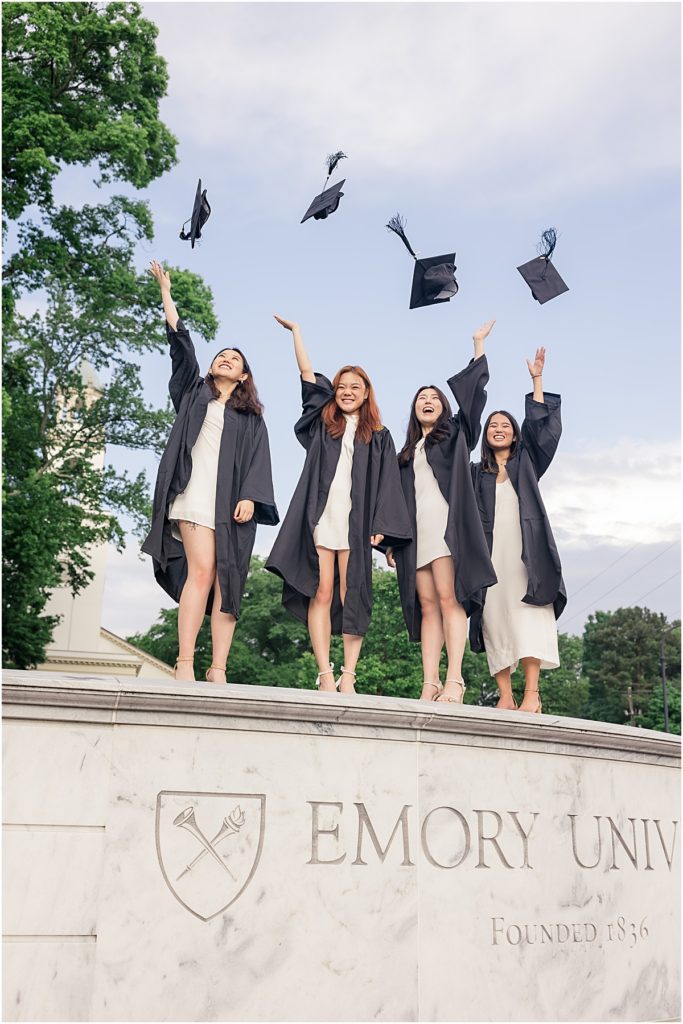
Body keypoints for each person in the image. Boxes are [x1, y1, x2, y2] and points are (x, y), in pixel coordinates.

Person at [142, 261, 278, 683]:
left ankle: (217, 667)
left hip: (230, 506)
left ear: (243, 376)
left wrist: (251, 497)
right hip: (191, 496)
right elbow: (180, 346)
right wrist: (166, 294)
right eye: (222, 355)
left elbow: (260, 462)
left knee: (228, 583)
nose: (226, 359)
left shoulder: (251, 418)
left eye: (234, 359)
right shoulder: (191, 393)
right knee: (202, 570)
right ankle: (184, 662)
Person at [266, 315, 412, 694]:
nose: (347, 391)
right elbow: (306, 372)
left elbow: (388, 485)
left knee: (353, 593)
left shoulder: (379, 436)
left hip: (357, 522)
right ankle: (325, 674)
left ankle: (349, 673)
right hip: (319, 517)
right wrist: (297, 333)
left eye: (355, 386)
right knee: (322, 590)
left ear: (366, 393)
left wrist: (384, 528)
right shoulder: (322, 425)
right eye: (341, 386)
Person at [386, 321, 497, 704]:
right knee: (427, 605)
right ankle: (429, 681)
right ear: (414, 410)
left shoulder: (454, 434)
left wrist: (478, 345)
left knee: (450, 600)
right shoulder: (404, 455)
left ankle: (454, 680)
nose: (428, 400)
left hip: (448, 529)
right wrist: (390, 541)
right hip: (416, 533)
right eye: (421, 398)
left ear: (443, 406)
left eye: (434, 397)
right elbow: (396, 500)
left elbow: (473, 402)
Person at [469, 347, 566, 712]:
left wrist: (537, 381)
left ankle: (531, 694)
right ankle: (506, 696)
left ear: (513, 435)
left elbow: (542, 431)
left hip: (528, 554)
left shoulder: (528, 461)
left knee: (528, 615)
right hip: (491, 556)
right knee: (495, 616)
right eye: (493, 426)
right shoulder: (476, 473)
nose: (498, 429)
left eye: (505, 426)